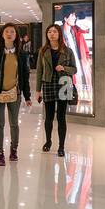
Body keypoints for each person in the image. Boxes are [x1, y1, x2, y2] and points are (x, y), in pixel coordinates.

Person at [0, 22, 32, 166]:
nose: (9, 34)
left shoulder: (21, 54)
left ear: (16, 35)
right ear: (2, 35)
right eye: (7, 32)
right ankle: (0, 154)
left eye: (12, 32)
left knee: (14, 124)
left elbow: (25, 76)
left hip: (14, 93)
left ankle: (14, 150)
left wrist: (27, 96)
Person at [37, 22, 77, 157]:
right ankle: (48, 142)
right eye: (49, 32)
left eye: (54, 31)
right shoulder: (43, 51)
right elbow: (39, 71)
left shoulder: (67, 51)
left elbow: (74, 69)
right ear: (47, 35)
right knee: (48, 117)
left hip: (64, 84)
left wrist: (64, 68)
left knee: (61, 117)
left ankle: (61, 146)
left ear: (59, 34)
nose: (52, 34)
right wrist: (37, 90)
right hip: (48, 83)